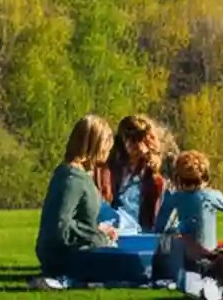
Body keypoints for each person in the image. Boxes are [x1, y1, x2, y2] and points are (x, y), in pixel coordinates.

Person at [33, 115, 119, 284]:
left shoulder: (75, 175)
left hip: (69, 250)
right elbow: (59, 226)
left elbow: (74, 220)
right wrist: (97, 235)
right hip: (65, 256)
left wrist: (97, 228)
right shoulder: (72, 180)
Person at [153, 151, 223, 262]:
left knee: (170, 235)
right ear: (205, 177)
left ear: (178, 179)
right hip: (209, 252)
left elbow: (159, 227)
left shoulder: (175, 197)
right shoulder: (212, 195)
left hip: (187, 255)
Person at [102, 115, 167, 232]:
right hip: (112, 224)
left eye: (141, 140)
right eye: (132, 141)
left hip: (138, 229)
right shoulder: (112, 166)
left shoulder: (152, 174)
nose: (138, 147)